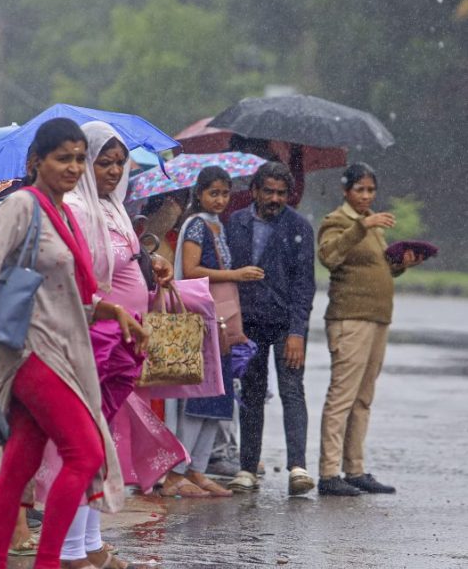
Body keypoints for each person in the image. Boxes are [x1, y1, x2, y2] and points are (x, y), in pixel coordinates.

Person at [0, 118, 148, 569]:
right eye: (64, 157)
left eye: (79, 158)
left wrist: (112, 310)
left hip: (63, 348)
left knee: (19, 462)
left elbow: (67, 294)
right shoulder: (22, 205)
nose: (74, 167)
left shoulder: (61, 213)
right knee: (85, 453)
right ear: (35, 162)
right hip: (32, 352)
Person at [48, 120, 176, 569]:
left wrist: (152, 265)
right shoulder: (79, 209)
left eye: (119, 163)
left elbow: (124, 264)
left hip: (119, 341)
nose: (112, 170)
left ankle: (90, 543)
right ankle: (68, 553)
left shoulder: (115, 208)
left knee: (101, 445)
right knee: (82, 444)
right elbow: (78, 279)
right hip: (91, 338)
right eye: (102, 162)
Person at [316, 164, 418, 496]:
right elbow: (330, 256)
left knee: (363, 399)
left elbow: (379, 266)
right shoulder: (337, 221)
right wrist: (362, 225)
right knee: (341, 397)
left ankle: (354, 469)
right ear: (346, 191)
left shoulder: (374, 225)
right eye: (360, 189)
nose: (366, 196)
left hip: (377, 319)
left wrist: (402, 264)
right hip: (350, 318)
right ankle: (329, 472)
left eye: (371, 190)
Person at [171, 166, 264, 497]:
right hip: (203, 318)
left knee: (219, 395)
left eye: (225, 193)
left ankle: (197, 467)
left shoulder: (216, 225)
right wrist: (235, 275)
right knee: (199, 397)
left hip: (219, 321)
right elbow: (192, 270)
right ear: (200, 194)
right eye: (214, 193)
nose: (220, 199)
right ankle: (180, 469)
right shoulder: (196, 225)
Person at [225, 162, 316, 495]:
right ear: (255, 192)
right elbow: (229, 274)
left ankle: (298, 467)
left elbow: (305, 284)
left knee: (292, 391)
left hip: (286, 324)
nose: (275, 198)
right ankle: (247, 468)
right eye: (269, 191)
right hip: (249, 322)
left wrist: (297, 332)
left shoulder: (299, 227)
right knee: (251, 394)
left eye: (281, 193)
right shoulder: (236, 223)